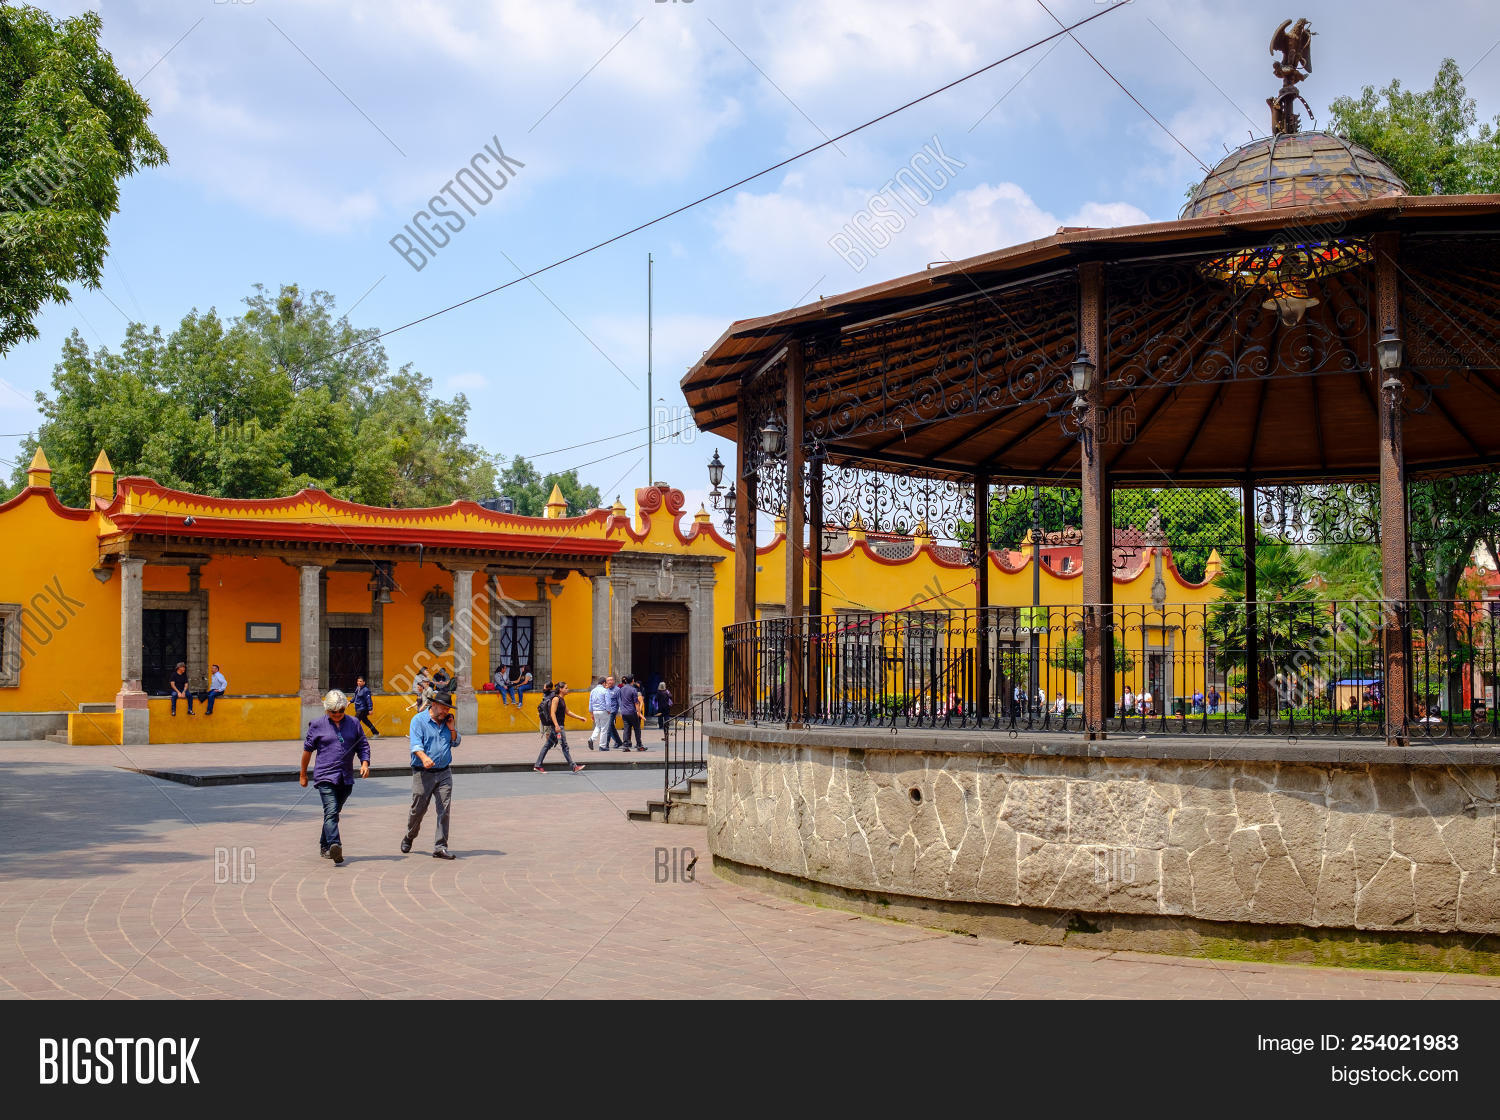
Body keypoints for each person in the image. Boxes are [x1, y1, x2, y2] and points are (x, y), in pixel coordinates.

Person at [299, 689, 370, 865]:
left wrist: (365, 763)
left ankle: (324, 846)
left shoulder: (353, 723)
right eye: (333, 712)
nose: (337, 715)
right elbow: (307, 751)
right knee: (331, 811)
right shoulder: (316, 725)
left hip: (345, 777)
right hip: (325, 776)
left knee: (333, 813)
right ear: (326, 710)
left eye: (341, 711)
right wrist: (303, 774)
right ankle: (335, 845)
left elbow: (363, 745)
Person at [403, 688, 461, 859]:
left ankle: (440, 846)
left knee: (444, 809)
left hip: (444, 772)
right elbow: (415, 745)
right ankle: (409, 836)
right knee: (418, 810)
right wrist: (424, 758)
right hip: (423, 773)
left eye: (448, 708)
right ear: (434, 705)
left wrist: (451, 728)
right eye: (443, 707)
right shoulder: (418, 721)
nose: (446, 711)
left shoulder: (447, 722)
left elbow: (456, 742)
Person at [534, 682, 588, 773]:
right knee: (564, 746)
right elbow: (552, 713)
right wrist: (556, 726)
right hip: (558, 727)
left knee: (547, 745)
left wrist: (580, 718)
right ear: (561, 689)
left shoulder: (562, 699)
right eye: (566, 688)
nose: (568, 689)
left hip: (558, 726)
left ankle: (538, 765)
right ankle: (574, 766)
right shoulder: (556, 699)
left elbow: (568, 712)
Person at [618, 675, 645, 751]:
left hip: (624, 712)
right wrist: (639, 712)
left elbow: (621, 700)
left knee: (626, 728)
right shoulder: (633, 690)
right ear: (632, 681)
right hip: (632, 711)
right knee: (637, 728)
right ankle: (639, 745)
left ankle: (625, 745)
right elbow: (636, 703)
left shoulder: (621, 689)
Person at [587, 676, 612, 749]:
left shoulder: (593, 691)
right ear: (603, 683)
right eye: (606, 683)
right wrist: (609, 710)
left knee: (598, 726)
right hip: (603, 711)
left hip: (595, 711)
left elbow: (590, 703)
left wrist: (591, 713)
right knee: (604, 728)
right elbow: (608, 703)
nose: (606, 685)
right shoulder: (605, 691)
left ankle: (592, 739)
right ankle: (602, 746)